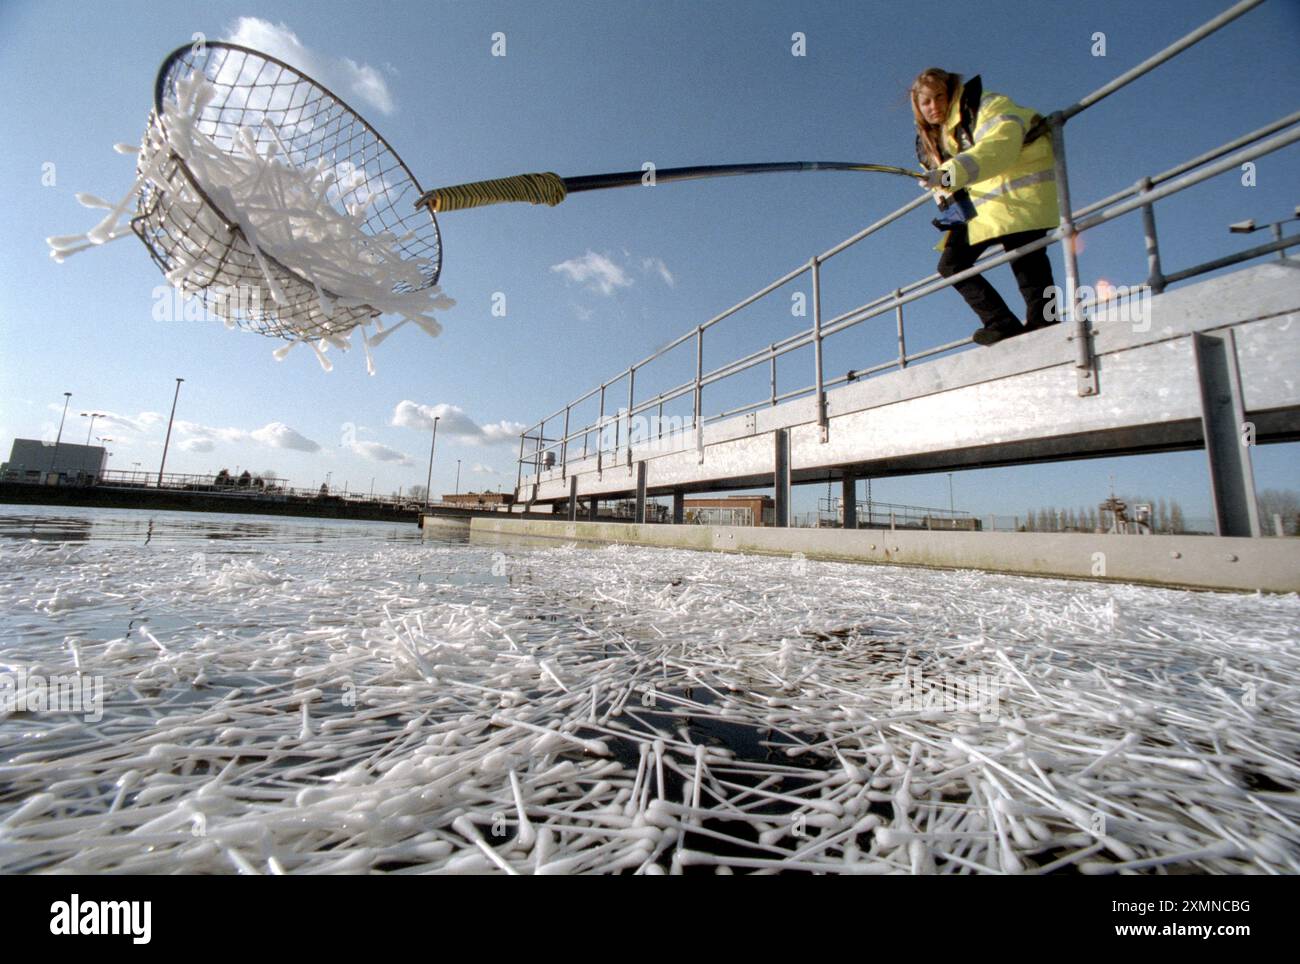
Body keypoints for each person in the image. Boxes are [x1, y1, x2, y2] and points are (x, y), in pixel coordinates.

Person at [911, 68, 1061, 346]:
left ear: (951, 93)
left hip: (1018, 190)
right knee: (952, 264)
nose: (934, 106)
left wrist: (949, 174)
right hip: (983, 206)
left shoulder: (984, 105)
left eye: (939, 97)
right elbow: (950, 184)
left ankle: (1046, 322)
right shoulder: (933, 140)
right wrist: (943, 193)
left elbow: (1000, 145)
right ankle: (1001, 322)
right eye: (926, 102)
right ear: (918, 108)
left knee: (1028, 258)